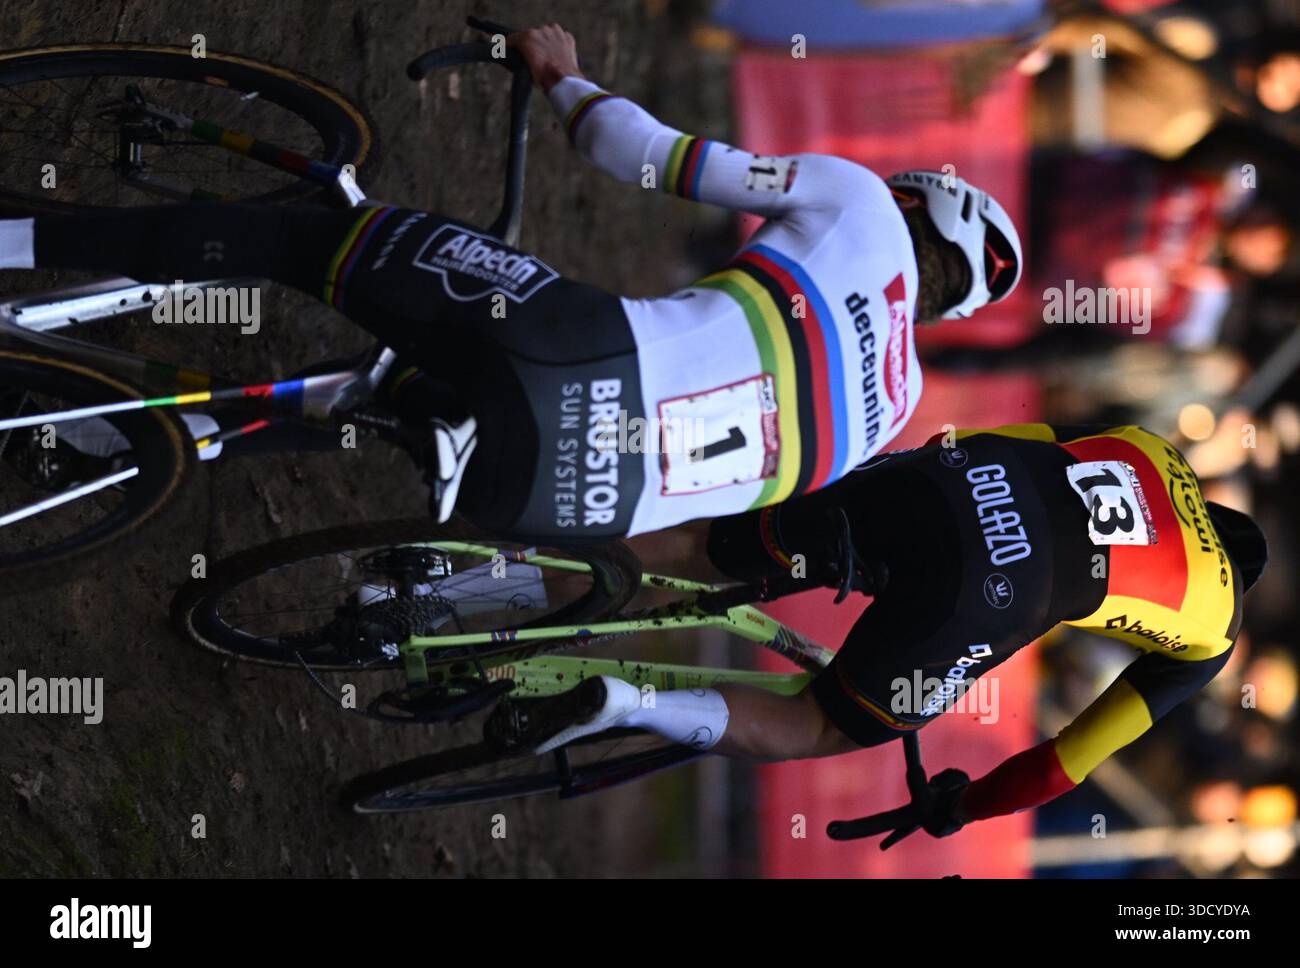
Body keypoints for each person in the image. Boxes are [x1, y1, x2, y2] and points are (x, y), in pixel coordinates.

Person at [0, 24, 1021, 537]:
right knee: (377, 396)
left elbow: (642, 154)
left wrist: (557, 73)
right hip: (553, 509)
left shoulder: (860, 204)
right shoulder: (896, 410)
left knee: (304, 241)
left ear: (919, 200)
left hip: (566, 354)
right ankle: (122, 434)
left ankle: (16, 242)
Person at [489, 423, 1268, 837]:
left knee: (707, 546)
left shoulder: (1154, 448)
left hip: (954, 476)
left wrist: (906, 490)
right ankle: (627, 705)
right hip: (998, 592)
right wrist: (961, 808)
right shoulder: (1216, 630)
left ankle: (467, 584)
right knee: (824, 724)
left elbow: (1021, 433)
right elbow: (1066, 763)